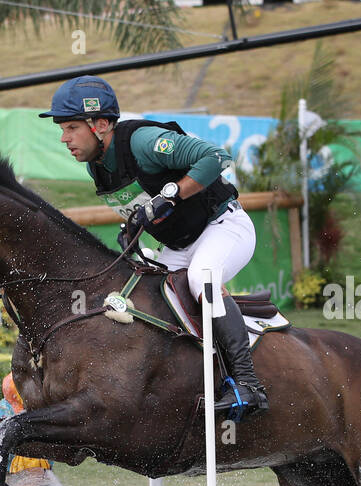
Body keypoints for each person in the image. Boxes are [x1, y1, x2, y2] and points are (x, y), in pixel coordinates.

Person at [41, 75, 268, 419]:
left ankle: (249, 384)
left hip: (224, 226)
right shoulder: (96, 167)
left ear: (101, 125)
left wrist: (171, 194)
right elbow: (144, 206)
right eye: (62, 129)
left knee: (202, 278)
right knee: (144, 298)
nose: (64, 138)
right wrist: (134, 225)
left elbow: (216, 157)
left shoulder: (143, 142)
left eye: (72, 127)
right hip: (180, 245)